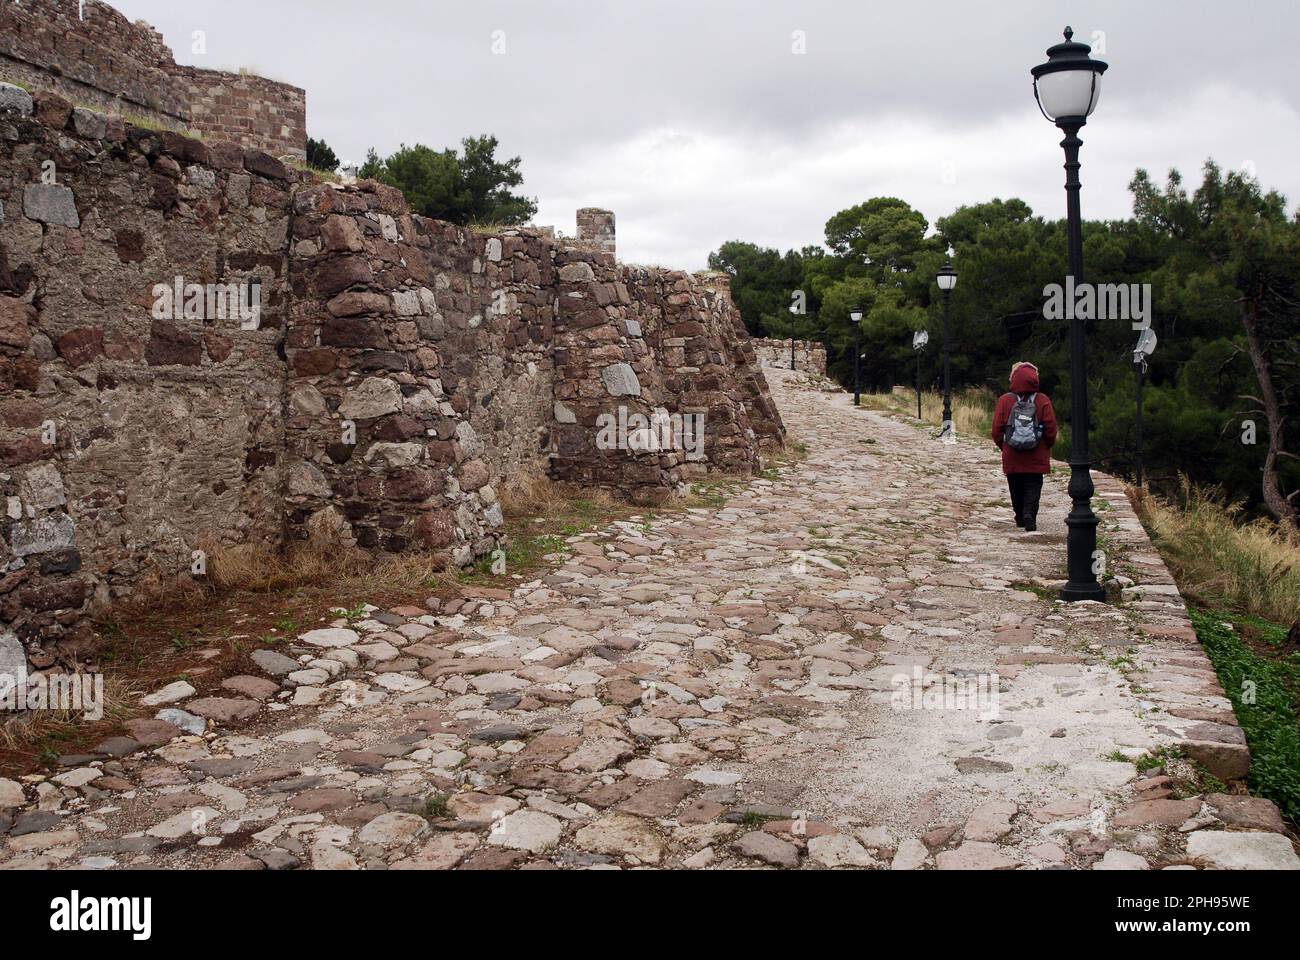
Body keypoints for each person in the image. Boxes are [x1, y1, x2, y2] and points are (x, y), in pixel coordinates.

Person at [991, 362, 1058, 532]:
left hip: (1012, 454)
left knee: (1015, 487)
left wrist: (1005, 446)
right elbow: (1051, 428)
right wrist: (1046, 446)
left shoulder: (1005, 400)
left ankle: (1019, 516)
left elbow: (996, 430)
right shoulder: (1043, 400)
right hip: (1036, 455)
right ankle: (1030, 515)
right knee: (1033, 486)